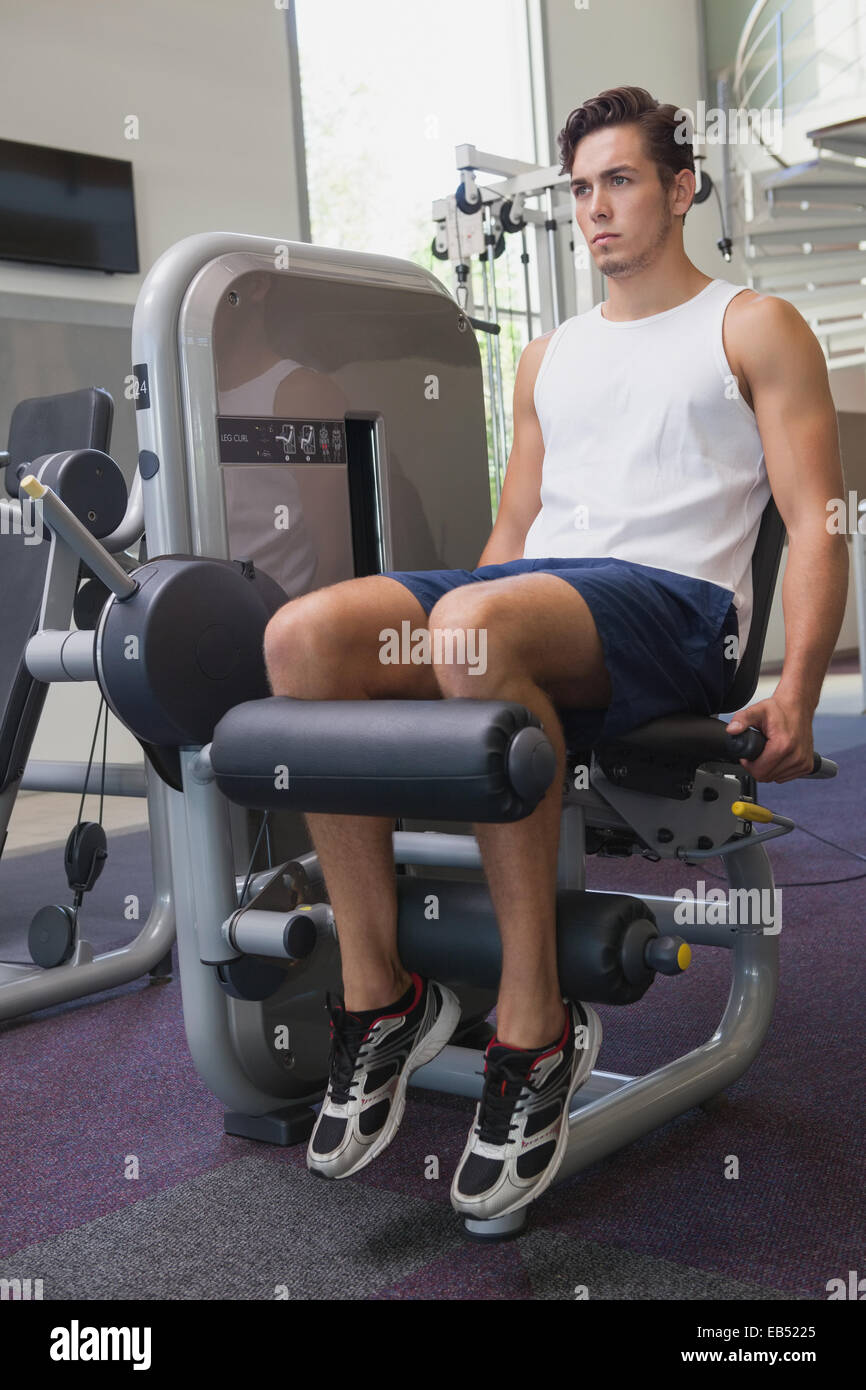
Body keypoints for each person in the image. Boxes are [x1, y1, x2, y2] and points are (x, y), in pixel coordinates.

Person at [263, 85, 848, 1223]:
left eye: (620, 181)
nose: (594, 209)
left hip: (674, 613)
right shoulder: (548, 357)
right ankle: (379, 996)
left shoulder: (750, 323)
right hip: (543, 603)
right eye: (579, 188)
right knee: (304, 639)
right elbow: (512, 539)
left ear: (680, 189)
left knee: (475, 626)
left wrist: (799, 684)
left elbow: (817, 514)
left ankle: (534, 1024)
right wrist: (451, 658)